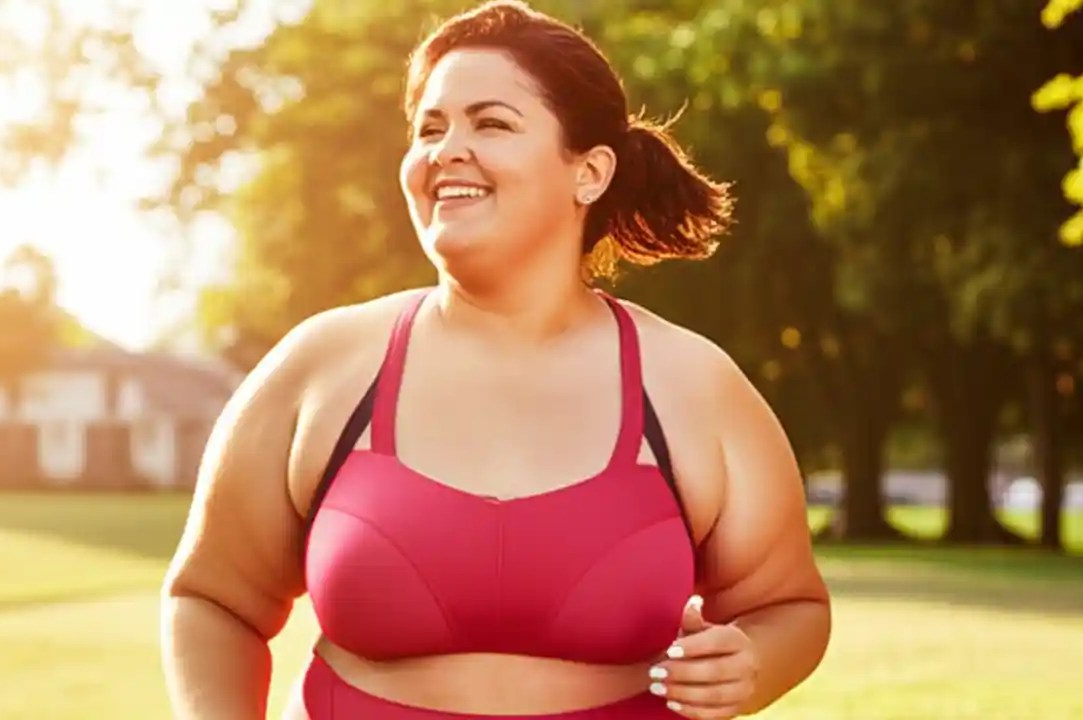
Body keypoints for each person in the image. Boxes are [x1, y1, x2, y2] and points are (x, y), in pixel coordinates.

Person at [160, 1, 831, 718]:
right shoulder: (322, 368)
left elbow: (788, 605)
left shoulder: (691, 385)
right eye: (430, 128)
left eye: (491, 123)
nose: (447, 150)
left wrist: (751, 665)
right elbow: (212, 600)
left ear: (590, 172)